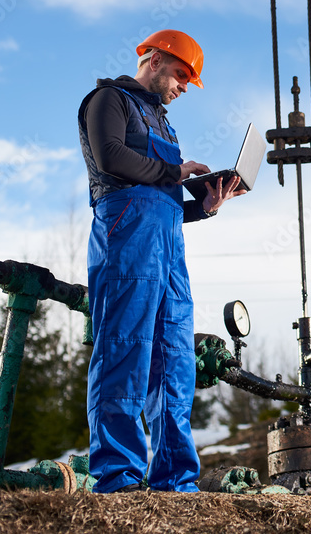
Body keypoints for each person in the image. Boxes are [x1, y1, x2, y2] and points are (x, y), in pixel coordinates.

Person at [78, 29, 245, 493]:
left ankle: (175, 479)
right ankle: (118, 475)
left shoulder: (162, 120)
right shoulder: (107, 100)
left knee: (175, 360)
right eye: (180, 77)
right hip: (126, 234)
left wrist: (204, 206)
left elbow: (168, 199)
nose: (182, 89)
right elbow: (112, 158)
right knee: (124, 351)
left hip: (168, 245)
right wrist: (176, 171)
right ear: (155, 61)